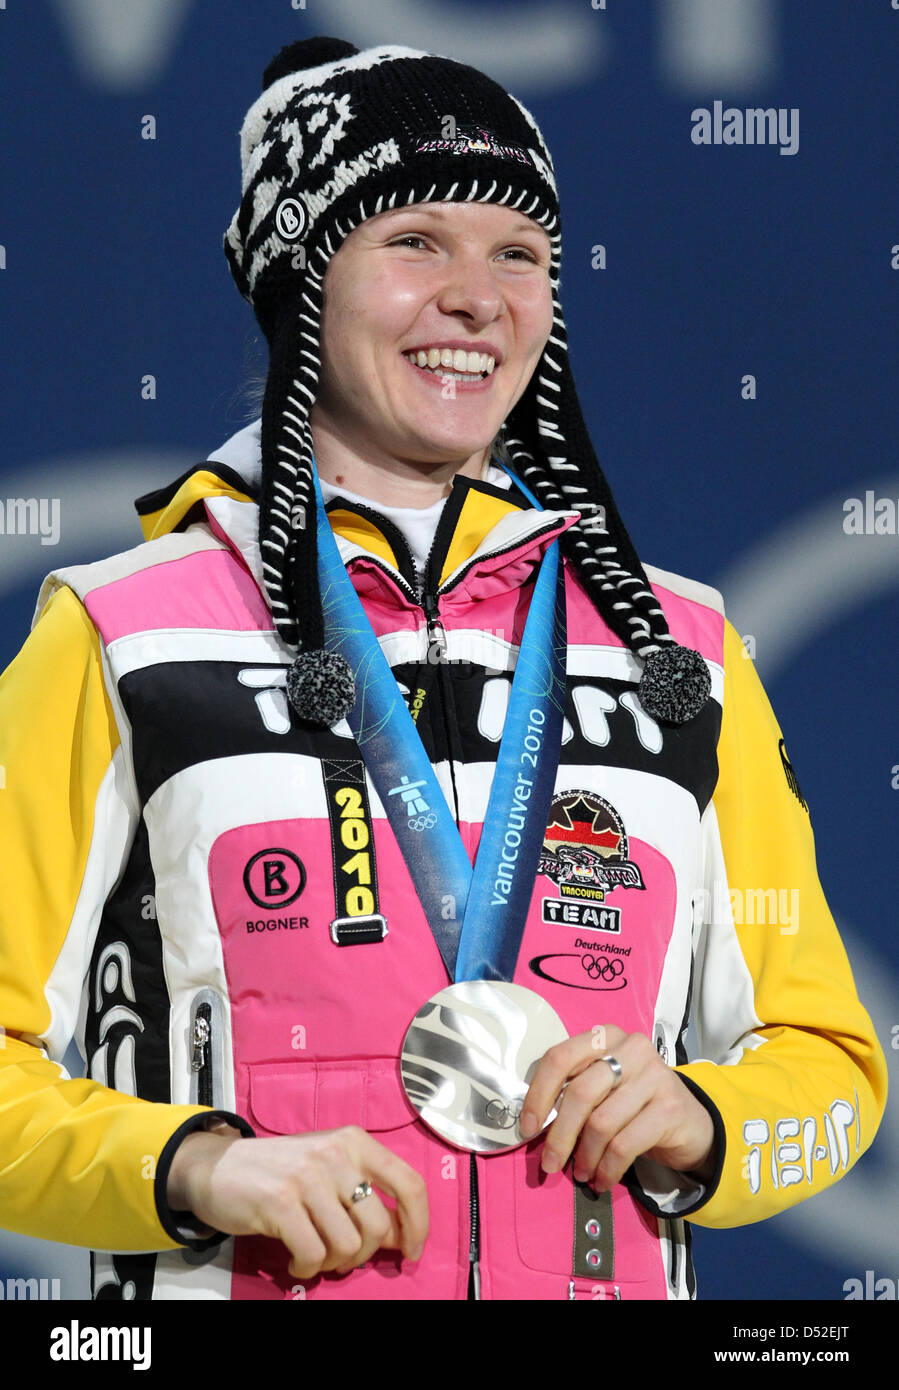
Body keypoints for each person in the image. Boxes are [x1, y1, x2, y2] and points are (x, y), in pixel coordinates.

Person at [0, 35, 887, 1302]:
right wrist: (191, 1164)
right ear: (302, 281)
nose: (478, 297)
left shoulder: (679, 651)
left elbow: (830, 1070)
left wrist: (703, 1115)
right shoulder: (125, 633)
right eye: (415, 239)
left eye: (518, 253)